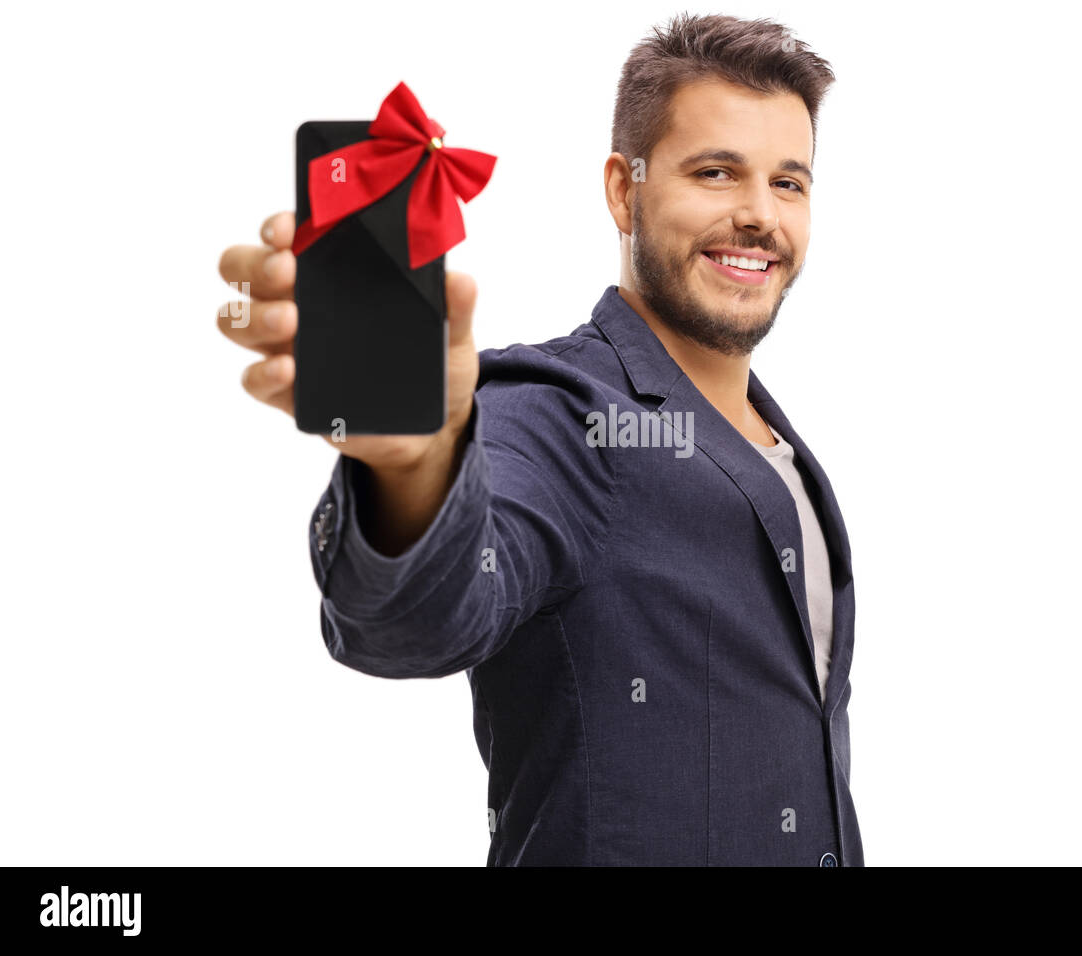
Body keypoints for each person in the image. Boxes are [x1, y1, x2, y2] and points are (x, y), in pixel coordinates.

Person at [217, 12, 862, 867]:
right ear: (623, 190)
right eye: (715, 172)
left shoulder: (781, 445)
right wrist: (418, 469)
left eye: (789, 183)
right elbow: (419, 622)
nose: (758, 215)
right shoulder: (560, 412)